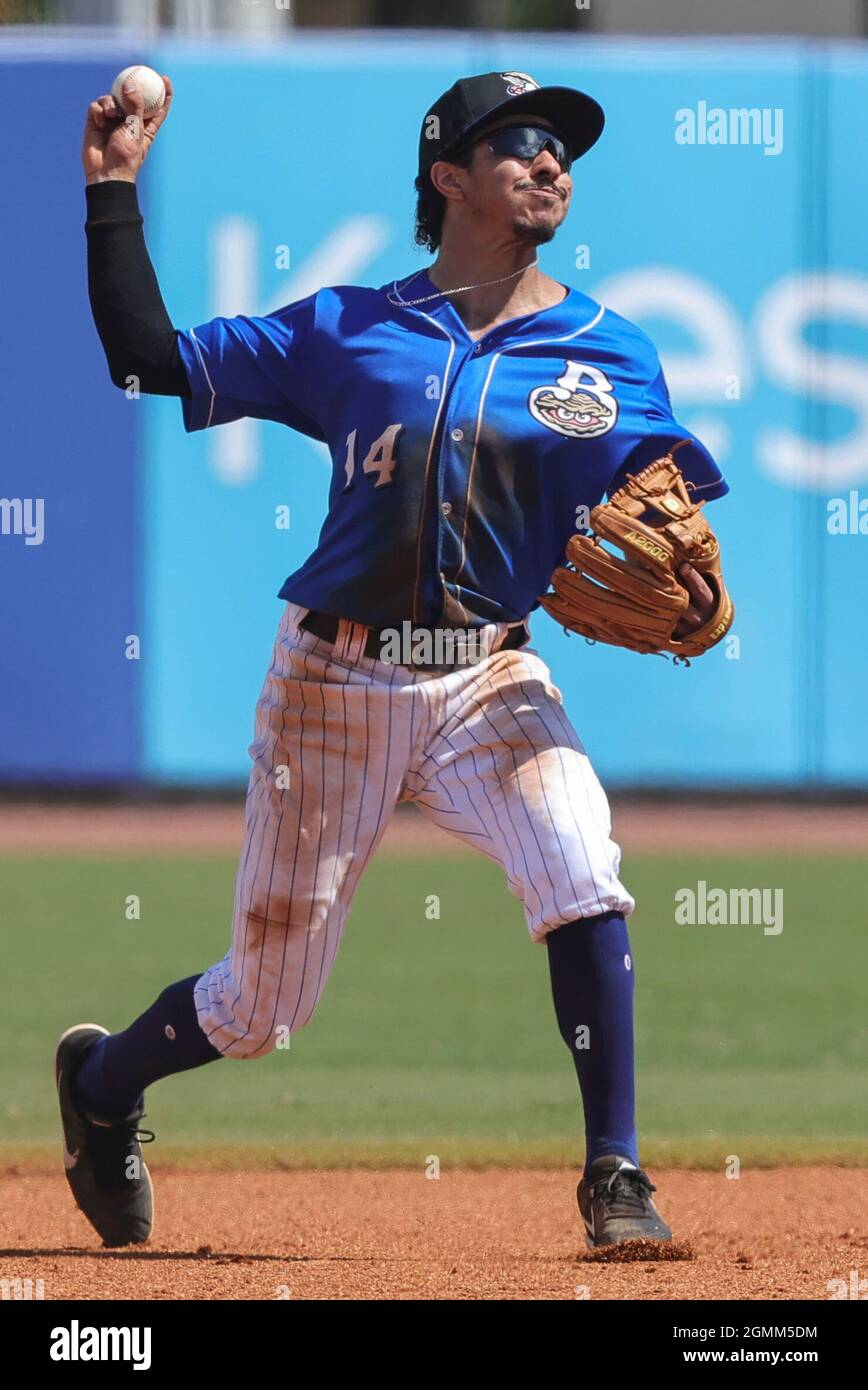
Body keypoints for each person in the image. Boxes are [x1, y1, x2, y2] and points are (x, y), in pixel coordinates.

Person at [57, 68, 727, 1251]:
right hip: (337, 680)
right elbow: (146, 357)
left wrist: (682, 587)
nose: (549, 160)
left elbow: (659, 514)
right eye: (518, 141)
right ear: (448, 176)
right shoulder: (350, 329)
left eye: (560, 144)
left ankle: (615, 1175)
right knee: (262, 1007)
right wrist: (114, 186)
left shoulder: (608, 353)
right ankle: (104, 1084)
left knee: (579, 865)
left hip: (490, 675)